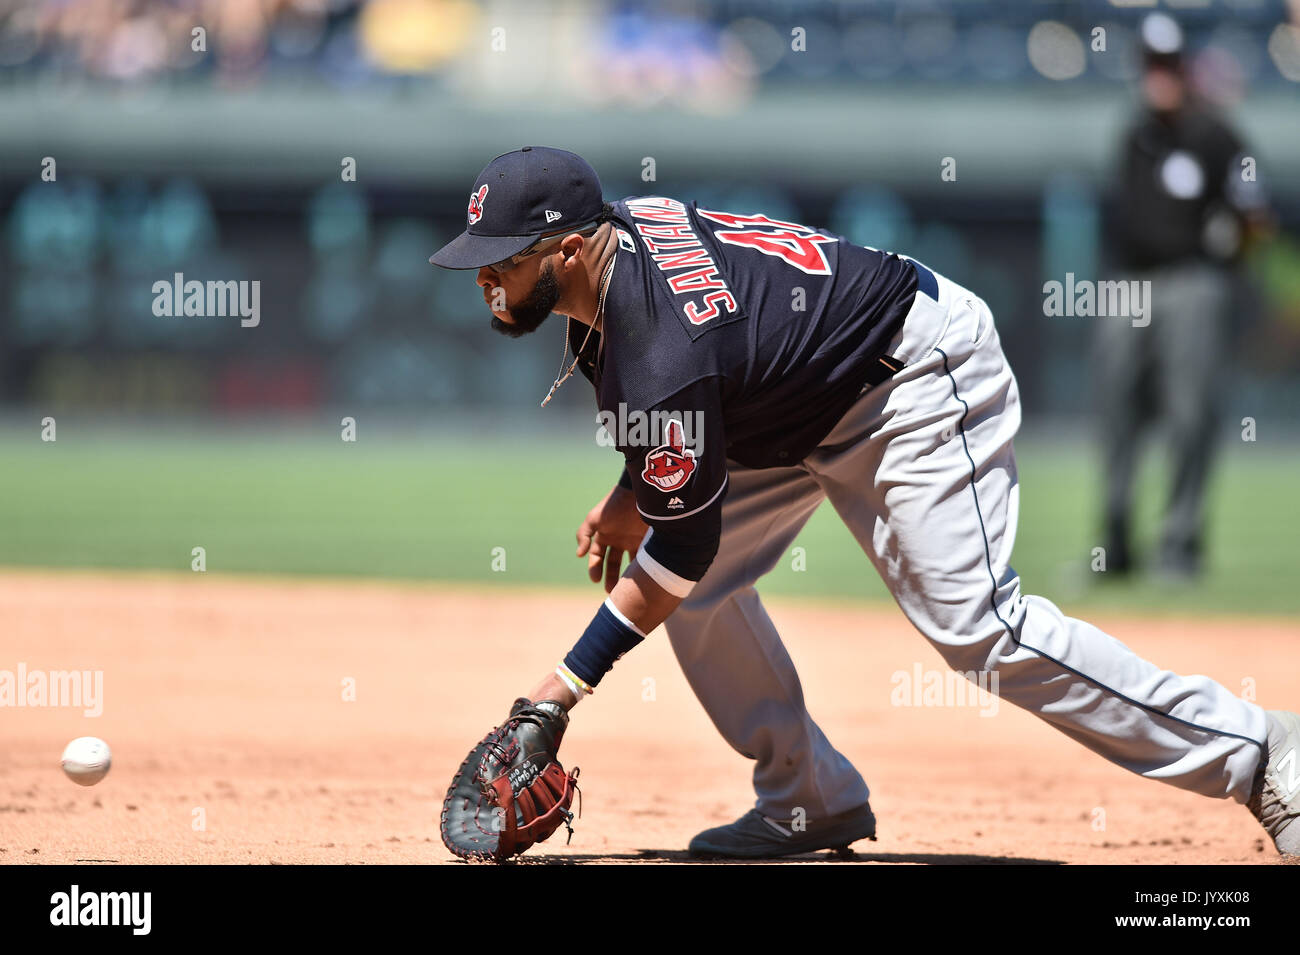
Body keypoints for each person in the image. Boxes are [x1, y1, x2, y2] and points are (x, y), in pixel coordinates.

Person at [429, 145, 1297, 859]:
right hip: (798, 397)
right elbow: (716, 388)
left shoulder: (661, 345)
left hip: (909, 375)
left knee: (978, 629)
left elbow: (684, 535)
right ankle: (809, 803)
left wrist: (555, 693)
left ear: (571, 249)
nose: (484, 278)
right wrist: (635, 490)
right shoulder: (617, 258)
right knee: (696, 596)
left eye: (503, 259)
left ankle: (1264, 752)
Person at [1099, 12, 1271, 578]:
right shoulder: (1134, 134)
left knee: (1189, 412)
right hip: (1128, 285)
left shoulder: (1216, 135)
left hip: (1191, 282)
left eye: (1169, 66)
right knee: (1117, 408)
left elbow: (1254, 212)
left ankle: (1179, 548)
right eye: (1151, 66)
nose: (1159, 78)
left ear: (1185, 70)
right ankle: (1115, 546)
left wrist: (1229, 262)